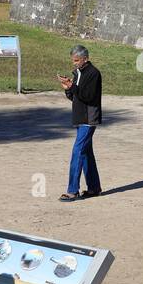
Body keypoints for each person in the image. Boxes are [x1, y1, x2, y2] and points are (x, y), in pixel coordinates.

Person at [58, 45, 103, 201]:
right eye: (73, 60)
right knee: (86, 154)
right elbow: (76, 97)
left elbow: (88, 96)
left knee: (77, 152)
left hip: (89, 119)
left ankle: (72, 191)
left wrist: (73, 87)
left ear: (85, 58)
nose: (74, 63)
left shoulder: (93, 74)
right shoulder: (77, 74)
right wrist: (67, 89)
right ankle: (94, 188)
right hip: (79, 118)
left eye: (77, 60)